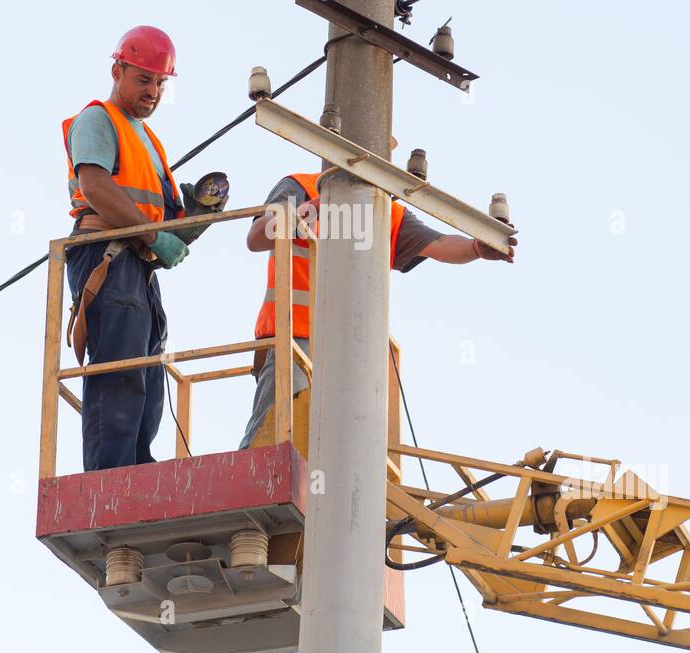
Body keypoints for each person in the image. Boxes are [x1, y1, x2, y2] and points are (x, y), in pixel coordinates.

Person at [239, 167, 517, 455]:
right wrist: (320, 206)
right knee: (278, 441)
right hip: (295, 339)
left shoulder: (384, 209)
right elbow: (258, 236)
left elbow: (441, 245)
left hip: (353, 357)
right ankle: (253, 483)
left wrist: (475, 248)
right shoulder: (301, 186)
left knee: (338, 456)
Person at [60, 25, 189, 471]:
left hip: (136, 262)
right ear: (117, 70)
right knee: (120, 367)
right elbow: (95, 186)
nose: (153, 91)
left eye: (160, 83)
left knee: (148, 373)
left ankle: (135, 466)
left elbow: (153, 209)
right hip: (106, 254)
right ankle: (109, 477)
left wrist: (189, 216)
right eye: (143, 79)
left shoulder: (148, 141)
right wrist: (154, 236)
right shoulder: (98, 119)